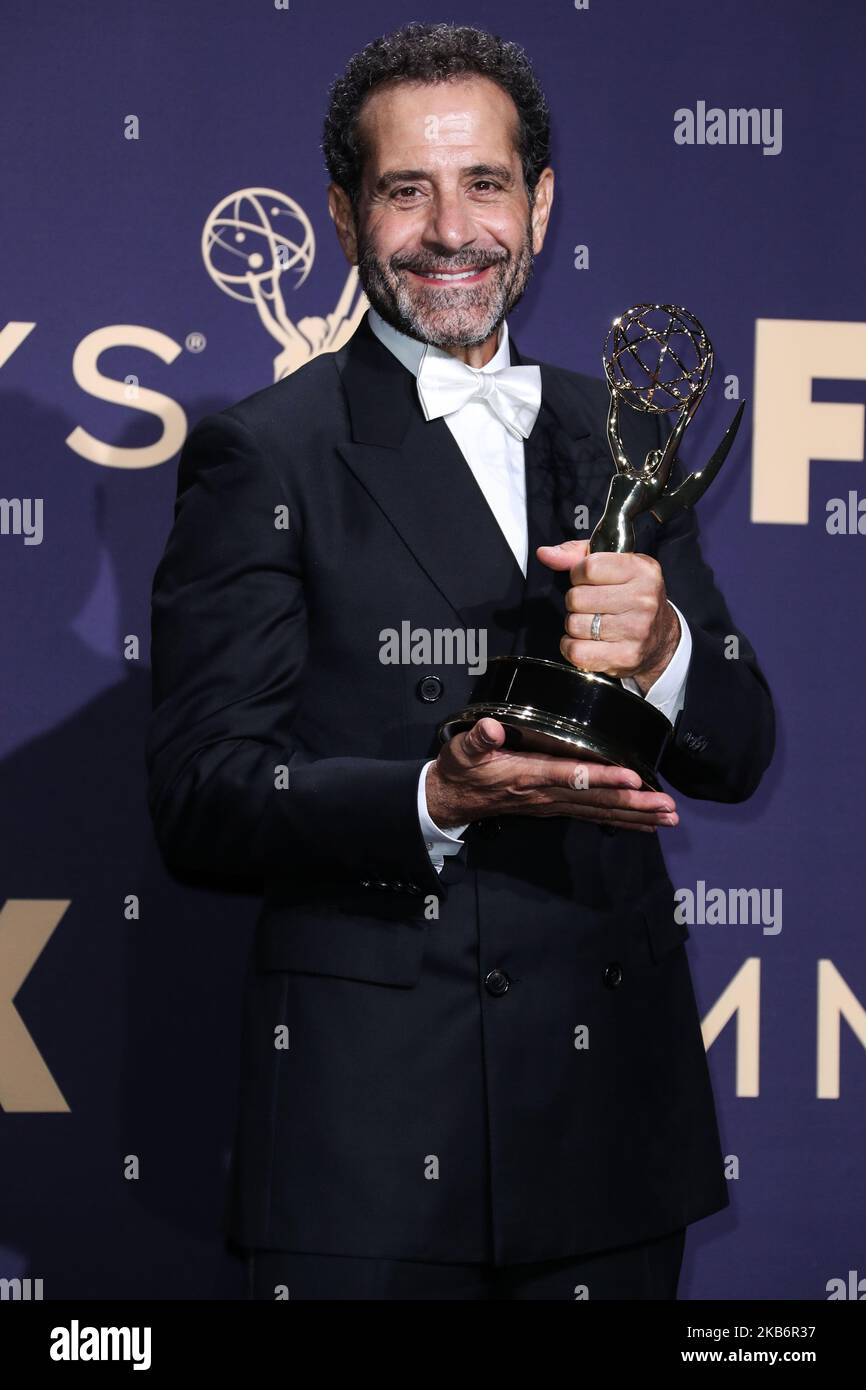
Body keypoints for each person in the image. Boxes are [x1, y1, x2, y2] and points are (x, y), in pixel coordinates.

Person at [146, 22, 774, 1301]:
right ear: (340, 214)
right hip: (367, 1142)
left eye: (484, 183)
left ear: (538, 206)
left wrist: (660, 652)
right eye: (404, 189)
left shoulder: (620, 435)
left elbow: (737, 743)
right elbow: (201, 796)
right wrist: (431, 798)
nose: (449, 228)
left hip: (604, 1131)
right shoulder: (266, 456)